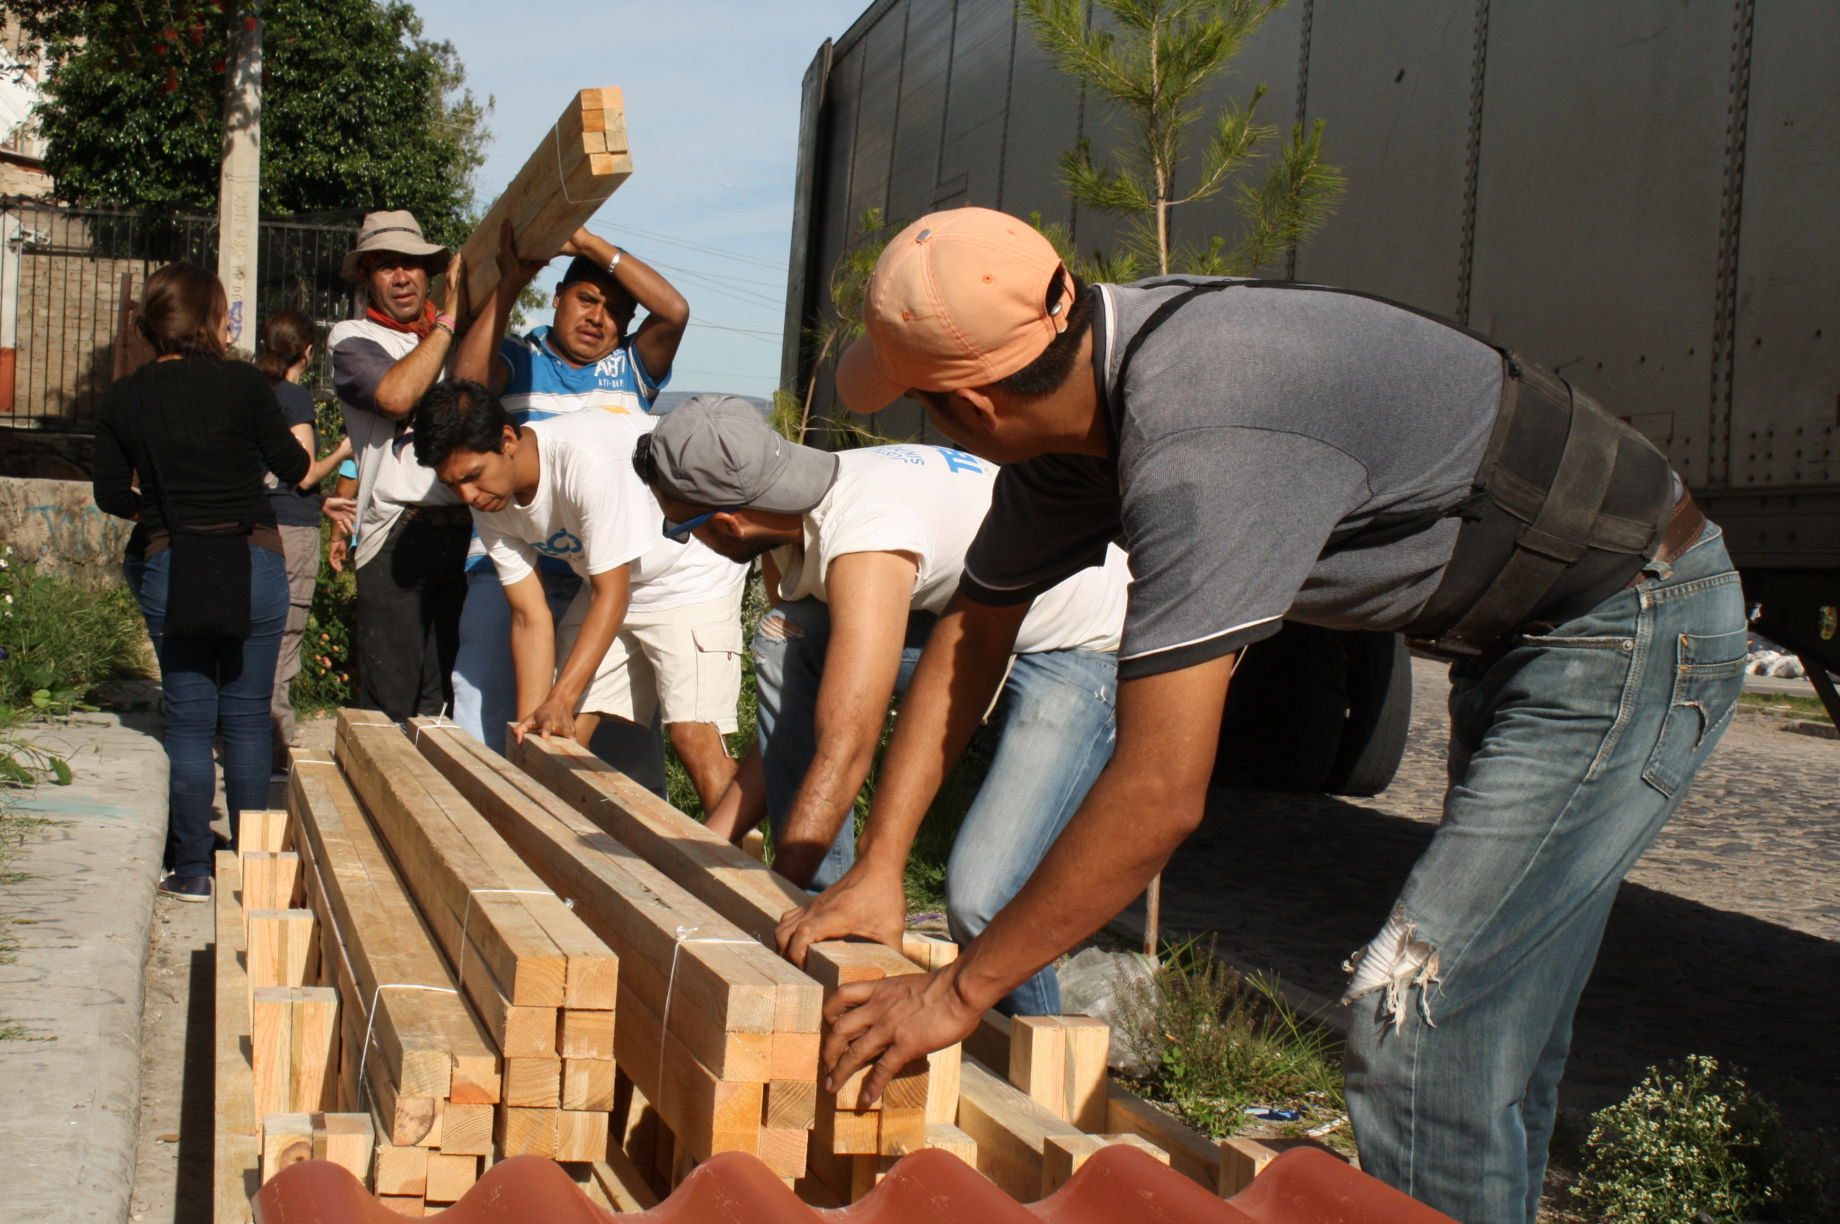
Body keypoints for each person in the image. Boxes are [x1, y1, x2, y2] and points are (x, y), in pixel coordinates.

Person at [804, 208, 1745, 1224]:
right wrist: (881, 865)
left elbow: (1158, 795)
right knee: (1488, 1036)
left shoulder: (1205, 443)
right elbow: (971, 639)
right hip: (1536, 626)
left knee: (1421, 1022)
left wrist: (954, 995)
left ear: (974, 406)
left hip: (1625, 623)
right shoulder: (1090, 406)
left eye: (919, 404)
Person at [637, 395, 1130, 1015]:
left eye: (681, 526)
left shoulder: (866, 539)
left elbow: (847, 742)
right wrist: (710, 846)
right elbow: (800, 725)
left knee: (981, 898)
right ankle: (830, 905)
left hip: (1080, 641)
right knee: (787, 634)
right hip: (985, 622)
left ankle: (1031, 1055)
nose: (684, 542)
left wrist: (775, 927)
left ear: (728, 522)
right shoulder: (798, 519)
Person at [445, 222, 727, 800]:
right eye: (587, 299)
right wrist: (510, 281)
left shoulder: (630, 366)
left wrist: (584, 241)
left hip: (617, 569)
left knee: (619, 730)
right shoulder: (518, 355)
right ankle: (488, 812)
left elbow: (673, 310)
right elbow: (466, 388)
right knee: (492, 699)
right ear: (557, 298)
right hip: (520, 554)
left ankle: (630, 844)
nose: (598, 318)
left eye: (615, 311)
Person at [92, 263, 310, 901]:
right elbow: (294, 467)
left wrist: (160, 509)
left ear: (153, 324)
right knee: (245, 719)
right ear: (214, 319)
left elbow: (110, 494)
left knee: (189, 722)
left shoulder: (123, 398)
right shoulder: (245, 383)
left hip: (172, 559)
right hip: (253, 558)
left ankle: (191, 873)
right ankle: (255, 874)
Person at [410, 381, 744, 789]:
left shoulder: (584, 461)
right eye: (452, 484)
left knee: (693, 737)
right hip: (615, 584)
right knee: (559, 735)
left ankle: (735, 850)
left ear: (507, 439)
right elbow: (528, 617)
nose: (468, 495)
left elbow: (612, 595)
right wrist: (531, 734)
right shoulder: (490, 500)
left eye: (474, 476)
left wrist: (560, 698)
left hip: (690, 577)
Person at [328, 210, 470, 722]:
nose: (402, 277)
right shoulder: (352, 339)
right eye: (386, 266)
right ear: (367, 277)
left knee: (443, 703)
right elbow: (395, 396)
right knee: (390, 701)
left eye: (412, 264)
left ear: (430, 274)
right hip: (394, 531)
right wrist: (449, 322)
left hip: (463, 533)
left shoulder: (449, 339)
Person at [254, 308, 353, 772]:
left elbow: (268, 476)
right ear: (308, 352)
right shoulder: (294, 397)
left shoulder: (252, 390)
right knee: (285, 635)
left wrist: (321, 504)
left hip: (255, 523)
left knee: (253, 633)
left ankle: (243, 734)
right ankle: (275, 746)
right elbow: (303, 470)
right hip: (290, 533)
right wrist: (343, 451)